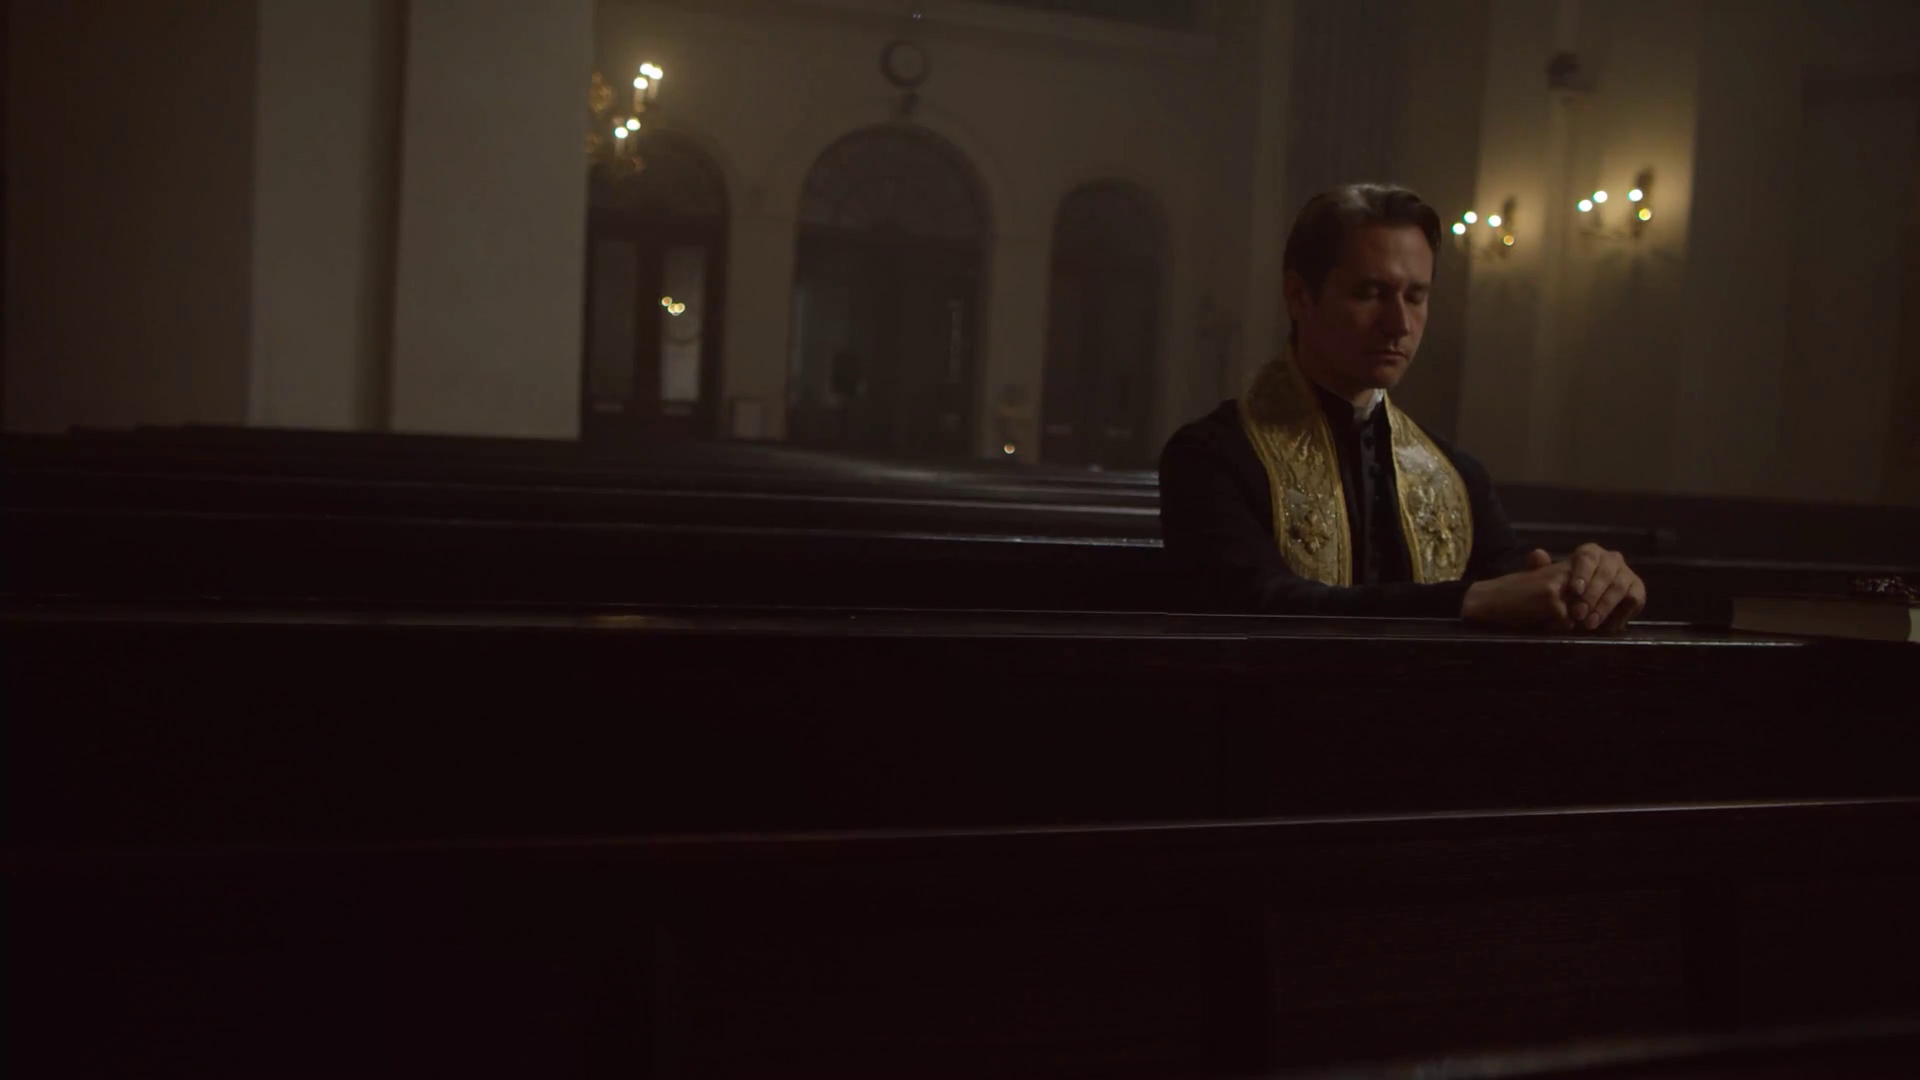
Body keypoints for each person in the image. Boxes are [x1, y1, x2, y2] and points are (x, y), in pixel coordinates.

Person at [1159, 183, 1646, 632]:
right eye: (1370, 293)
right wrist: (1466, 601)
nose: (1398, 324)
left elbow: (1519, 580)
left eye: (1416, 296)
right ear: (1299, 296)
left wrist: (1593, 580)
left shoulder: (1457, 474)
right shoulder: (1209, 456)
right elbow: (1254, 604)